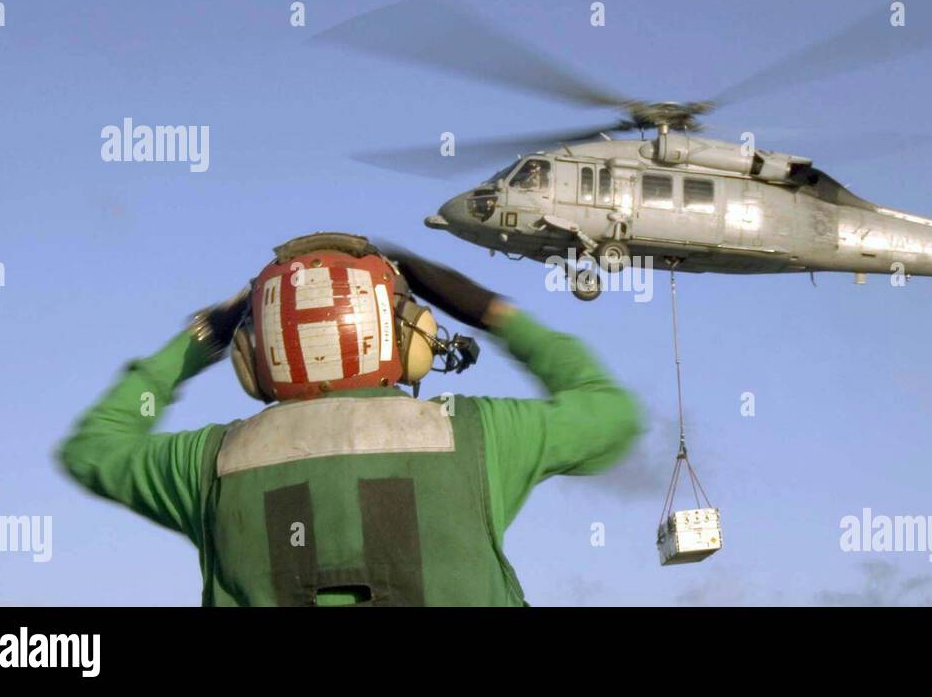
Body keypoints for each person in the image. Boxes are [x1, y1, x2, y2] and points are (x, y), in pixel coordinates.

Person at [58, 232, 643, 606]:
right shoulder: (478, 434)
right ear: (408, 338)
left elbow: (91, 449)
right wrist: (495, 314)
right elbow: (612, 415)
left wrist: (199, 339)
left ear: (253, 360)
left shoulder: (208, 464)